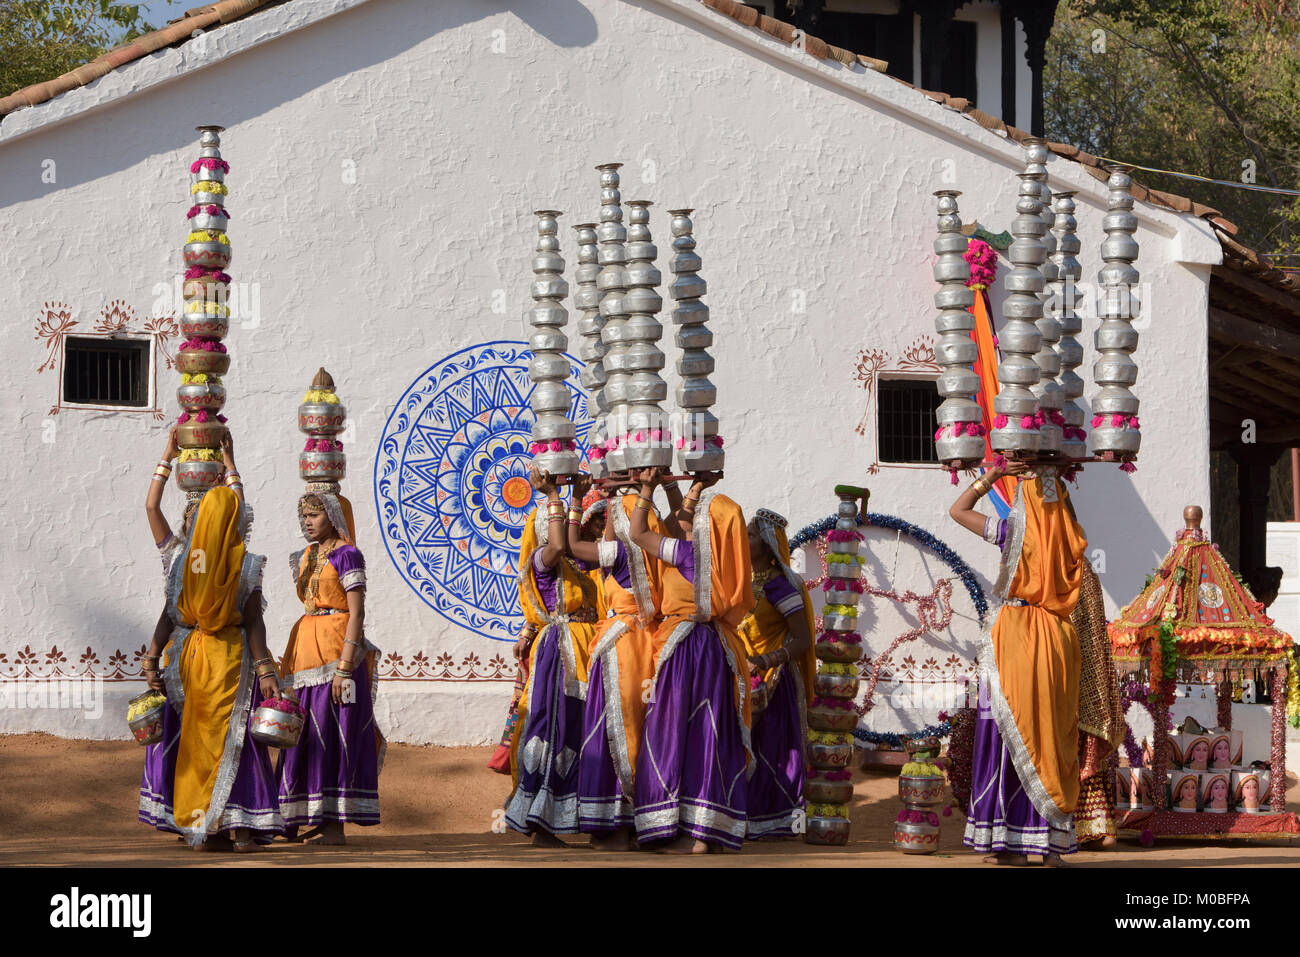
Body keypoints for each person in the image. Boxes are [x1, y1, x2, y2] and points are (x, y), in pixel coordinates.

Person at [949, 460, 1087, 866]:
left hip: (1012, 637)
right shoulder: (1071, 540)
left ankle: (1007, 842)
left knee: (1011, 737)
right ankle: (1048, 847)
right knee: (1049, 737)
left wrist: (991, 475)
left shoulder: (1011, 533)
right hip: (1056, 642)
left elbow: (957, 512)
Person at [138, 485, 284, 850]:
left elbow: (168, 616)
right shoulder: (245, 563)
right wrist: (266, 670)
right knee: (237, 740)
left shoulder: (183, 564)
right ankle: (243, 829)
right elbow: (254, 623)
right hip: (230, 660)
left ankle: (202, 826)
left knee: (198, 744)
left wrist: (152, 656)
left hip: (188, 660)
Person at [627, 467, 756, 853]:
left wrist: (647, 488)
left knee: (673, 733)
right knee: (709, 735)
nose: (690, 519)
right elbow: (676, 521)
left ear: (707, 530)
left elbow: (639, 534)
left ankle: (684, 834)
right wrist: (692, 488)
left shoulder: (686, 554)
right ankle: (707, 833)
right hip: (715, 650)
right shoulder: (716, 561)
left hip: (685, 651)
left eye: (699, 517)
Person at [276, 488, 384, 845]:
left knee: (334, 735)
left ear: (334, 517)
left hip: (338, 656)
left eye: (315, 515)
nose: (308, 522)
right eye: (304, 515)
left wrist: (344, 667)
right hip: (307, 654)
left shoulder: (348, 555)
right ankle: (304, 817)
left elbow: (357, 612)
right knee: (306, 735)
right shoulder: (307, 555)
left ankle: (335, 825)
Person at [504, 469, 604, 845]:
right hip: (560, 653)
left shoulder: (584, 568)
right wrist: (555, 497)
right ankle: (541, 822)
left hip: (585, 651)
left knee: (579, 732)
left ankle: (574, 818)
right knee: (554, 730)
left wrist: (579, 497)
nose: (594, 531)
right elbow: (562, 546)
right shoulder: (543, 562)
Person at [567, 477, 665, 850]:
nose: (604, 525)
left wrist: (574, 501)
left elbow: (571, 545)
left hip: (623, 646)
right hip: (644, 644)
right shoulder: (649, 551)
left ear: (622, 525)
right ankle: (638, 824)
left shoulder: (620, 551)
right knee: (634, 727)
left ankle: (618, 827)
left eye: (609, 519)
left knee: (615, 728)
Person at [738, 508, 815, 838]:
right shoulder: (739, 582)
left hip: (776, 681)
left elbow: (803, 639)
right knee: (743, 746)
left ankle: (777, 822)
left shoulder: (781, 586)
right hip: (743, 677)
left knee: (773, 749)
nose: (745, 538)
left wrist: (767, 661)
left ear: (768, 546)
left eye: (752, 535)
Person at [1072, 560, 1126, 849]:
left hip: (1080, 669)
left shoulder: (1081, 569)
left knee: (1084, 737)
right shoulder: (1042, 559)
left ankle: (1090, 825)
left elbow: (1091, 632)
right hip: (1051, 663)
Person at [146, 427, 243, 579]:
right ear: (185, 527)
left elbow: (240, 513)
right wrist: (168, 455)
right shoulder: (175, 552)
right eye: (194, 518)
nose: (199, 522)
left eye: (205, 517)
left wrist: (230, 465)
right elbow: (151, 507)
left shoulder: (226, 550)